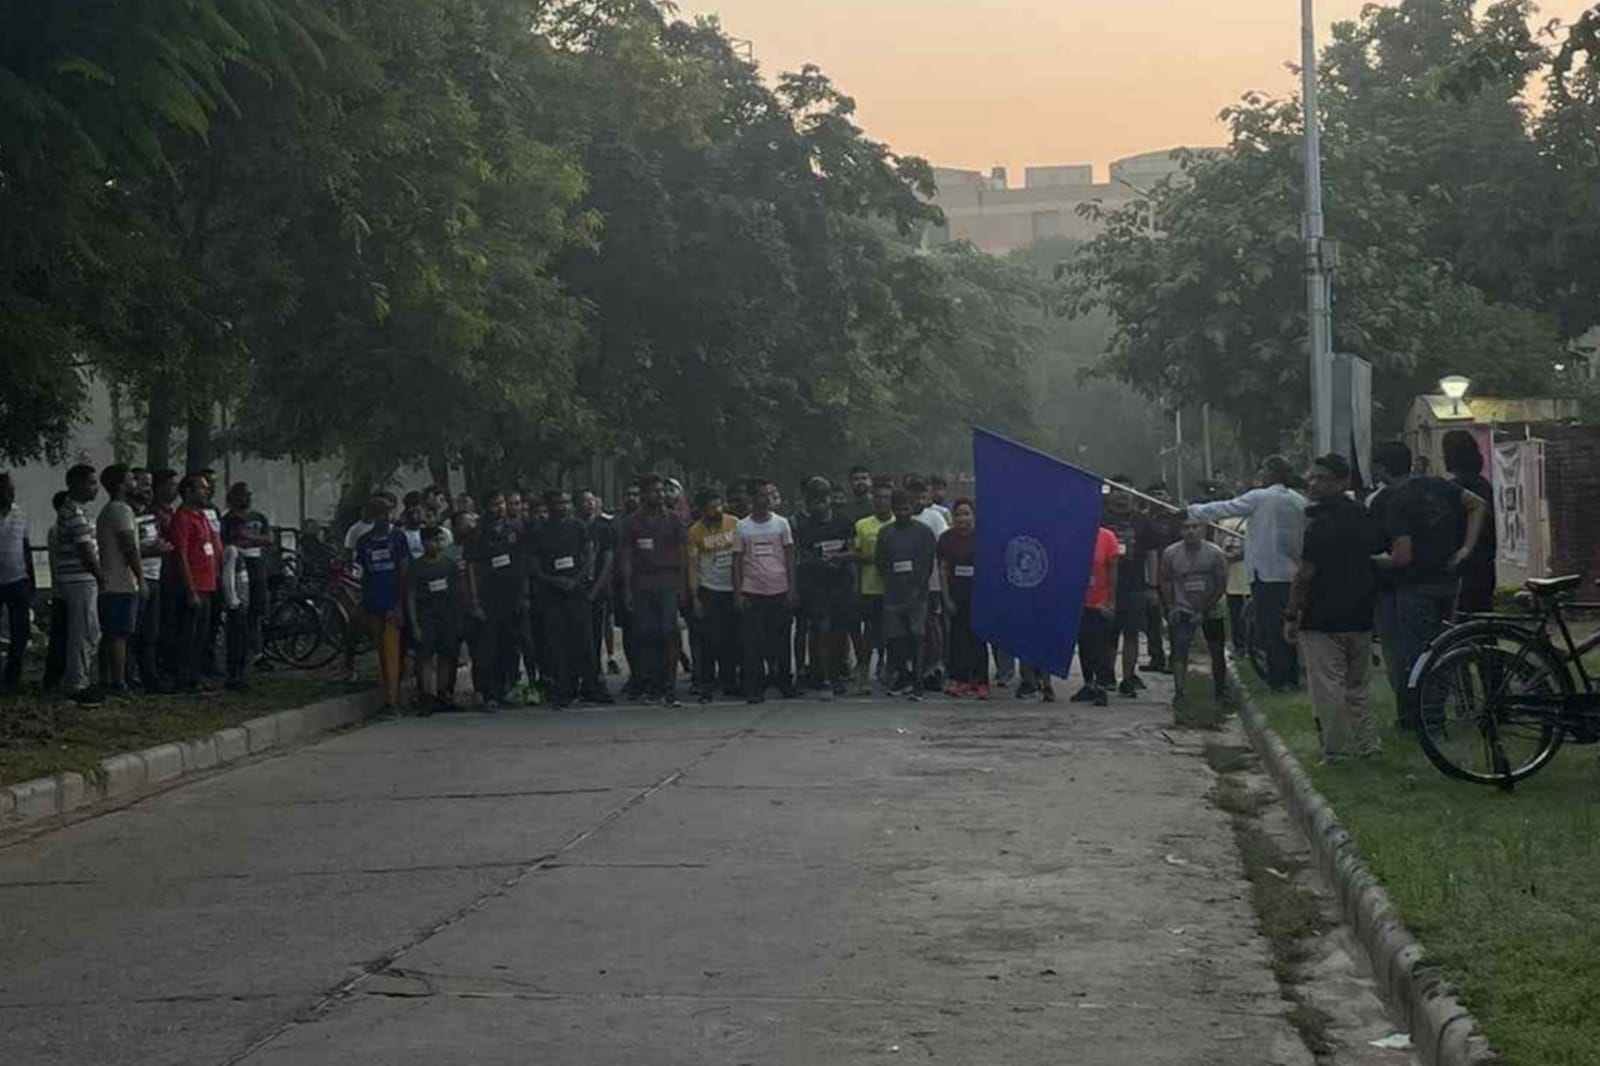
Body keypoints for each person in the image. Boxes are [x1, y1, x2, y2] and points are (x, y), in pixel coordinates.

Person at [1369, 441, 1488, 728]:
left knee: (1416, 654)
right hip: (1449, 581)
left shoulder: (1395, 500)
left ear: (1382, 469)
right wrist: (1465, 549)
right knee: (1444, 649)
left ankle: (1425, 717)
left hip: (1414, 585)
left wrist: (1370, 560)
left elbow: (1402, 557)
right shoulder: (1437, 485)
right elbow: (1477, 504)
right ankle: (1437, 711)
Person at [1285, 454, 1384, 762]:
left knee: (1328, 688)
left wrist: (1291, 613)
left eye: (1322, 478)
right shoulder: (1364, 515)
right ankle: (1369, 745)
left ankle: (1335, 750)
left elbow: (1304, 574)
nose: (1313, 483)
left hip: (1322, 618)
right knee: (1357, 687)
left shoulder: (1318, 525)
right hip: (1361, 614)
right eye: (1311, 478)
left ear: (1342, 482)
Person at [1188, 456, 1308, 692]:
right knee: (1289, 627)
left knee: (1272, 629)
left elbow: (1225, 507)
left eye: (1263, 469)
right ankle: (1291, 677)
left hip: (1266, 574)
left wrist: (1191, 511)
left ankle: (1278, 680)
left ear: (1272, 473)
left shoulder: (1259, 497)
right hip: (1292, 573)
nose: (1261, 473)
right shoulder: (1299, 500)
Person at [619, 474, 688, 704]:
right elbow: (627, 557)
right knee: (646, 636)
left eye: (662, 491)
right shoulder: (632, 522)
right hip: (642, 584)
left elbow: (683, 555)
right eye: (654, 491)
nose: (659, 495)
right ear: (644, 494)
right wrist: (627, 589)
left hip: (668, 583)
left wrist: (683, 587)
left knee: (669, 633)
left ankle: (669, 686)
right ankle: (651, 686)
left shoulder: (675, 520)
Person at [528, 489, 595, 709]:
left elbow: (589, 555)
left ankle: (589, 687)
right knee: (557, 643)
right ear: (549, 506)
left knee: (583, 640)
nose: (563, 507)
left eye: (566, 502)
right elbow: (534, 566)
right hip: (552, 594)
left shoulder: (579, 527)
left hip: (576, 591)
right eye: (558, 503)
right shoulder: (540, 531)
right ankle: (562, 689)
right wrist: (553, 580)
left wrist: (576, 580)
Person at [793, 477, 856, 698]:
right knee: (819, 629)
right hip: (816, 585)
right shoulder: (804, 527)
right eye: (813, 501)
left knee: (839, 631)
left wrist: (839, 557)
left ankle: (837, 674)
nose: (818, 505)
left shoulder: (844, 522)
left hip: (841, 585)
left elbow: (853, 550)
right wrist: (818, 561)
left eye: (822, 499)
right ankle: (821, 676)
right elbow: (801, 556)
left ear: (829, 499)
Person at [734, 482, 797, 703]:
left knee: (780, 641)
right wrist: (738, 593)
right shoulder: (742, 526)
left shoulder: (782, 524)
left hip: (779, 588)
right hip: (753, 590)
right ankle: (755, 687)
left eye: (770, 495)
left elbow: (789, 556)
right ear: (753, 499)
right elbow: (738, 561)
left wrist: (792, 588)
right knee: (753, 643)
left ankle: (784, 682)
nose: (767, 499)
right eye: (762, 495)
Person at [1159, 515, 1229, 712]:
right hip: (1182, 607)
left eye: (1194, 527)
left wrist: (1204, 609)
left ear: (1203, 529)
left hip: (1211, 607)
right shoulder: (1171, 552)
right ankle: (1179, 691)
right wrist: (1171, 605)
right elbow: (1164, 579)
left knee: (1216, 650)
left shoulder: (1215, 553)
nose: (1190, 531)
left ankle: (1220, 690)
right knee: (1179, 649)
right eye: (1185, 528)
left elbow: (1221, 583)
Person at [875, 489, 938, 699]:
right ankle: (903, 677)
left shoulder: (925, 532)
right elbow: (881, 563)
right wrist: (892, 585)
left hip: (917, 594)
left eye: (906, 508)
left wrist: (917, 590)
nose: (902, 512)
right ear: (893, 509)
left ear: (912, 508)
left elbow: (928, 564)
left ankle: (918, 682)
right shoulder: (885, 533)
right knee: (896, 640)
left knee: (917, 637)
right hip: (893, 594)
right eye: (898, 509)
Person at [352, 496, 410, 714]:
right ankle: (388, 693)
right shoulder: (364, 541)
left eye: (387, 513)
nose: (385, 518)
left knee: (393, 651)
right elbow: (361, 573)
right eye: (379, 514)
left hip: (393, 601)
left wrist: (400, 604)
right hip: (372, 601)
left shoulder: (398, 538)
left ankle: (392, 700)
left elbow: (404, 572)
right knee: (381, 651)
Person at [467, 491, 524, 708]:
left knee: (509, 645)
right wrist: (475, 601)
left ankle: (505, 690)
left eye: (501, 503)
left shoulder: (515, 528)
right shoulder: (479, 531)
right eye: (494, 504)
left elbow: (521, 562)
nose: (499, 508)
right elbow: (472, 566)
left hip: (510, 596)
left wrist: (521, 595)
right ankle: (487, 693)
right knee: (487, 648)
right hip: (487, 597)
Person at [168, 473, 223, 693]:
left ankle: (197, 675)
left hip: (208, 584)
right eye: (201, 488)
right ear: (188, 492)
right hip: (193, 586)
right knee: (188, 635)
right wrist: (190, 589)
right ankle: (185, 678)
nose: (206, 491)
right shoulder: (182, 518)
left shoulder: (202, 517)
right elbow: (180, 554)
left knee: (202, 635)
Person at [55, 464, 104, 703]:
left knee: (90, 630)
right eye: (91, 483)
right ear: (75, 484)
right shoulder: (73, 512)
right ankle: (76, 683)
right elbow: (86, 550)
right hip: (79, 580)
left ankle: (81, 678)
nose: (96, 488)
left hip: (81, 579)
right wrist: (100, 576)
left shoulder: (80, 511)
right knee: (83, 631)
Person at [1103, 483, 1158, 697]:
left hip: (1134, 587)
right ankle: (1106, 676)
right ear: (1110, 497)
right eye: (1117, 492)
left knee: (1131, 634)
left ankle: (1127, 678)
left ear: (1133, 496)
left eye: (1126, 493)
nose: (1121, 497)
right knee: (1108, 635)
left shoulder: (1142, 522)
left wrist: (1152, 586)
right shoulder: (1100, 520)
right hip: (1105, 586)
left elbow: (1153, 554)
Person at [687, 487, 740, 702]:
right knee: (709, 641)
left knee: (731, 639)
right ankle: (706, 684)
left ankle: (729, 681)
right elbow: (692, 565)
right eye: (711, 507)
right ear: (701, 510)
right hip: (709, 590)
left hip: (732, 589)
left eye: (719, 505)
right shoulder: (694, 532)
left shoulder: (735, 523)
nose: (717, 510)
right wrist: (695, 597)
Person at [95, 465, 144, 696]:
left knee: (112, 634)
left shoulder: (109, 511)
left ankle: (107, 678)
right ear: (120, 485)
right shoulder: (121, 510)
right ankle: (118, 682)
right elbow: (129, 546)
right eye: (131, 479)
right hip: (120, 581)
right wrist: (140, 578)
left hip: (110, 582)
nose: (136, 482)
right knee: (119, 634)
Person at [1441, 430, 1497, 616]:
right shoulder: (1483, 485)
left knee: (1463, 619)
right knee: (1482, 617)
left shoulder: (1455, 489)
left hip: (1463, 563)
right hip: (1485, 560)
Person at [407, 525, 462, 714]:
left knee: (446, 655)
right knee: (425, 658)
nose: (436, 544)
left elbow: (457, 593)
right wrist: (414, 624)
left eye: (439, 540)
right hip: (426, 618)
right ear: (423, 543)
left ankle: (444, 694)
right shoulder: (416, 566)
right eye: (432, 540)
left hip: (447, 617)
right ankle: (426, 697)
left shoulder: (449, 564)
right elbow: (411, 596)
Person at [1066, 522, 1120, 707]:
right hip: (1078, 602)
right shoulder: (1072, 535)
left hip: (1100, 602)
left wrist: (1111, 601)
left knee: (1100, 646)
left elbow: (1113, 571)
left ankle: (1102, 686)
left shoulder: (1107, 537)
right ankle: (1088, 683)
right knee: (1084, 645)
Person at [220, 482, 271, 677]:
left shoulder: (258, 517)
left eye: (249, 494)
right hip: (238, 563)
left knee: (257, 610)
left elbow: (268, 539)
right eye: (243, 495)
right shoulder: (228, 519)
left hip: (256, 563)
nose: (247, 498)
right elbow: (231, 541)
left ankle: (257, 652)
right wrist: (249, 539)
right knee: (240, 608)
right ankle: (239, 655)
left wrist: (248, 538)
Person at [938, 499, 987, 698]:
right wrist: (946, 598)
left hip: (979, 598)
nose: (962, 519)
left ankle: (981, 682)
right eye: (958, 514)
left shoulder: (984, 537)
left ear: (974, 516)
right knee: (958, 640)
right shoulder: (946, 539)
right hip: (955, 597)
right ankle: (960, 680)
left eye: (967, 514)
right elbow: (942, 570)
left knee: (979, 640)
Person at [907, 476, 950, 690]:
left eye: (921, 495)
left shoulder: (934, 518)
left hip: (931, 582)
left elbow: (944, 546)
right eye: (913, 495)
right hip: (906, 584)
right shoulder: (901, 519)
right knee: (911, 629)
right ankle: (913, 668)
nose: (917, 499)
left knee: (932, 625)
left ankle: (935, 666)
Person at [852, 482, 895, 694]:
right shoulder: (862, 524)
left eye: (886, 497)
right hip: (869, 587)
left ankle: (886, 668)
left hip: (893, 588)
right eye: (878, 497)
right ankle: (863, 672)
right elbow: (855, 554)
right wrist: (874, 559)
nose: (881, 501)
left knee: (890, 632)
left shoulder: (900, 523)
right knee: (868, 633)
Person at [577, 490, 618, 702]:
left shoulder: (604, 528)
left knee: (595, 637)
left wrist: (595, 591)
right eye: (584, 501)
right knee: (580, 639)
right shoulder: (573, 527)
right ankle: (584, 680)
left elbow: (608, 561)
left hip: (597, 592)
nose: (588, 505)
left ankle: (596, 681)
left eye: (591, 501)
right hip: (575, 591)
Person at [0, 473, 35, 693]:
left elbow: (25, 546)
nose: (12, 492)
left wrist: (31, 578)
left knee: (20, 631)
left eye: (12, 489)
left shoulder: (20, 513)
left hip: (17, 579)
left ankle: (13, 677)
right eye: (7, 489)